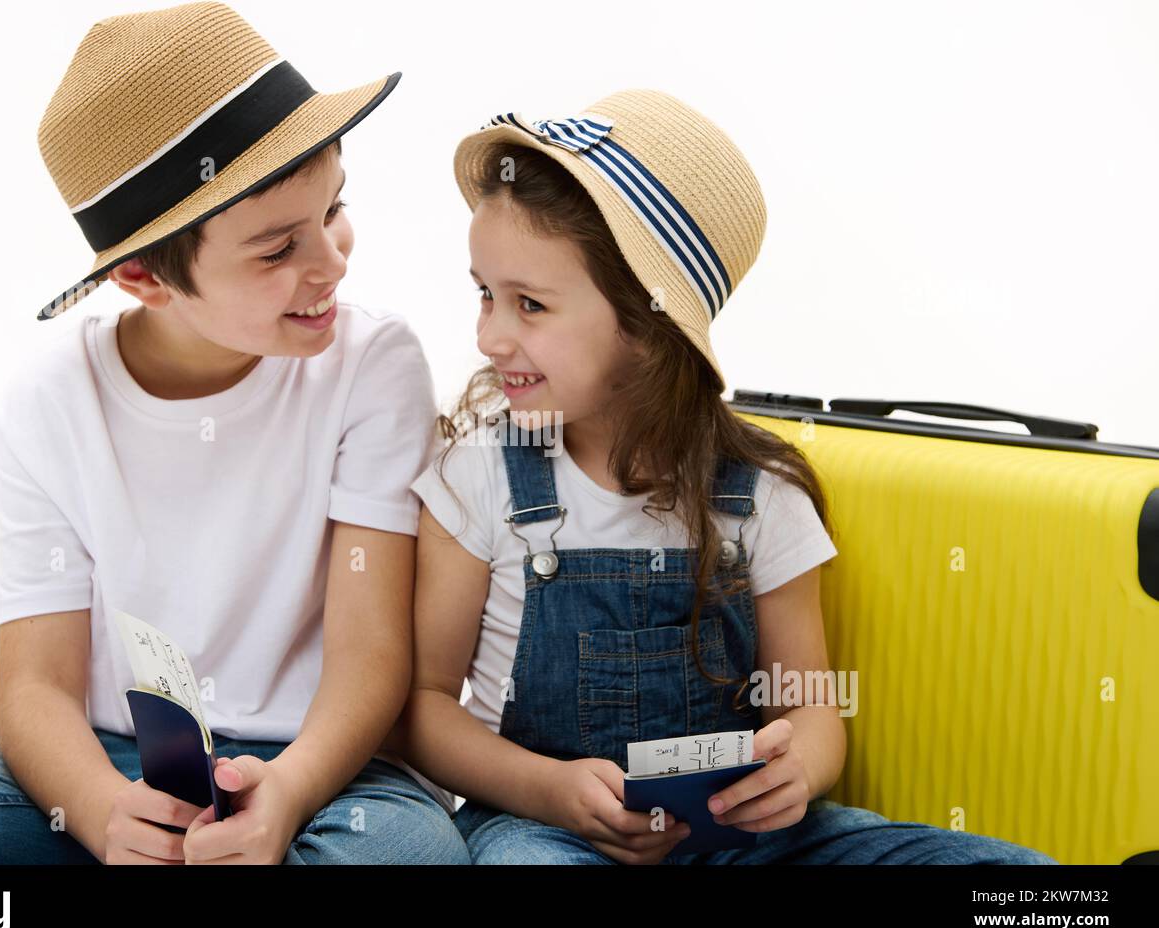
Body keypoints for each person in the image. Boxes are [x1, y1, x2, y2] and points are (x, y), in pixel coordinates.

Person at [0, 1, 467, 865]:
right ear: (143, 276)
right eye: (275, 250)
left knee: (413, 855)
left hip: (328, 767)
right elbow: (36, 684)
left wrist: (285, 795)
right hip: (111, 763)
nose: (332, 261)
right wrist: (103, 812)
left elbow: (371, 654)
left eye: (334, 209)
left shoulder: (373, 362)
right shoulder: (49, 398)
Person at [387, 89, 1057, 865]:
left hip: (738, 838)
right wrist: (550, 790)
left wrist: (800, 767)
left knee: (1021, 882)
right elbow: (424, 709)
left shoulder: (760, 494)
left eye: (530, 304)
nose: (490, 335)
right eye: (485, 294)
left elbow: (808, 704)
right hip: (545, 831)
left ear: (648, 324)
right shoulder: (478, 479)